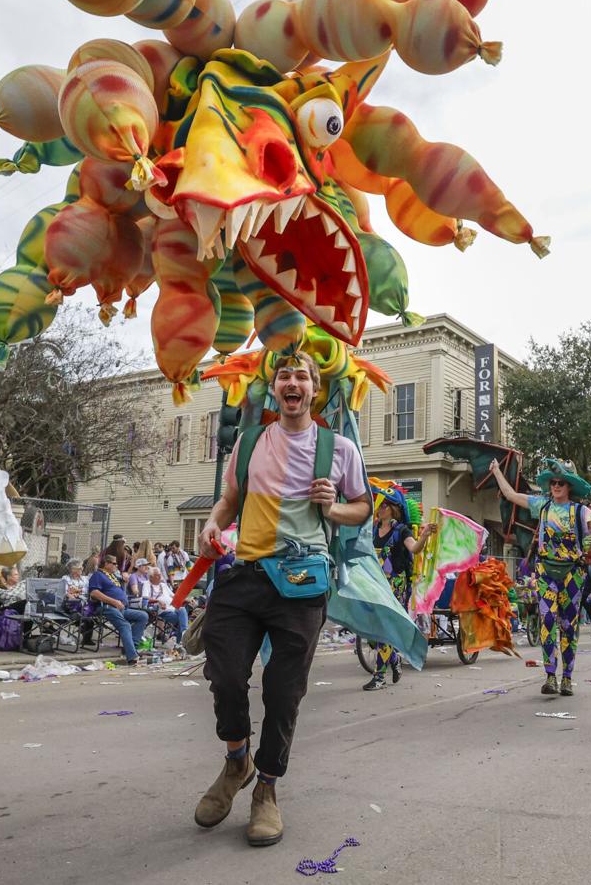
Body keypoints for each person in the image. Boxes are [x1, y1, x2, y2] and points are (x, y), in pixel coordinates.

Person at [195, 352, 370, 846]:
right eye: (284, 375)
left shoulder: (339, 450)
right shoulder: (248, 442)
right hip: (244, 574)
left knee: (283, 692)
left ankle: (266, 789)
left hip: (300, 583)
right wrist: (212, 524)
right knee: (225, 675)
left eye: (302, 376)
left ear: (315, 389)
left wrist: (332, 507)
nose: (292, 382)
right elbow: (230, 499)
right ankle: (236, 762)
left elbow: (362, 509)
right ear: (274, 388)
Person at [490, 456, 591, 695]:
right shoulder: (541, 506)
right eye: (553, 482)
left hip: (572, 574)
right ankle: (550, 676)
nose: (556, 486)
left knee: (568, 626)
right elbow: (510, 495)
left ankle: (567, 678)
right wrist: (497, 471)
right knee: (547, 622)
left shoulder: (582, 511)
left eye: (561, 482)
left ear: (569, 486)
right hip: (545, 571)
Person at [363, 493, 432, 691]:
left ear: (395, 509)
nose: (381, 507)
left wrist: (425, 535)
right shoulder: (373, 529)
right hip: (375, 584)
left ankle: (379, 677)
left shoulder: (402, 531)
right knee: (371, 633)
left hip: (395, 586)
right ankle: (394, 659)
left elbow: (415, 549)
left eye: (386, 504)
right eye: (380, 504)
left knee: (386, 631)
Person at [87, 553, 149, 665]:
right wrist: (114, 601)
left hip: (122, 608)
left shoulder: (113, 575)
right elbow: (94, 593)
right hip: (106, 607)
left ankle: (131, 648)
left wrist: (124, 579)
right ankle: (132, 657)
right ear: (106, 564)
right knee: (125, 625)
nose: (117, 566)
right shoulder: (98, 575)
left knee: (143, 616)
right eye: (114, 563)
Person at [140, 566, 188, 644]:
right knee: (181, 619)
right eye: (157, 575)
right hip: (161, 610)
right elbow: (145, 598)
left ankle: (183, 635)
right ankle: (181, 641)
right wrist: (158, 601)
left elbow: (174, 596)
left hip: (173, 608)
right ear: (151, 577)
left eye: (160, 574)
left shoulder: (163, 585)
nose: (160, 576)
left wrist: (186, 599)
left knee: (182, 610)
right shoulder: (147, 584)